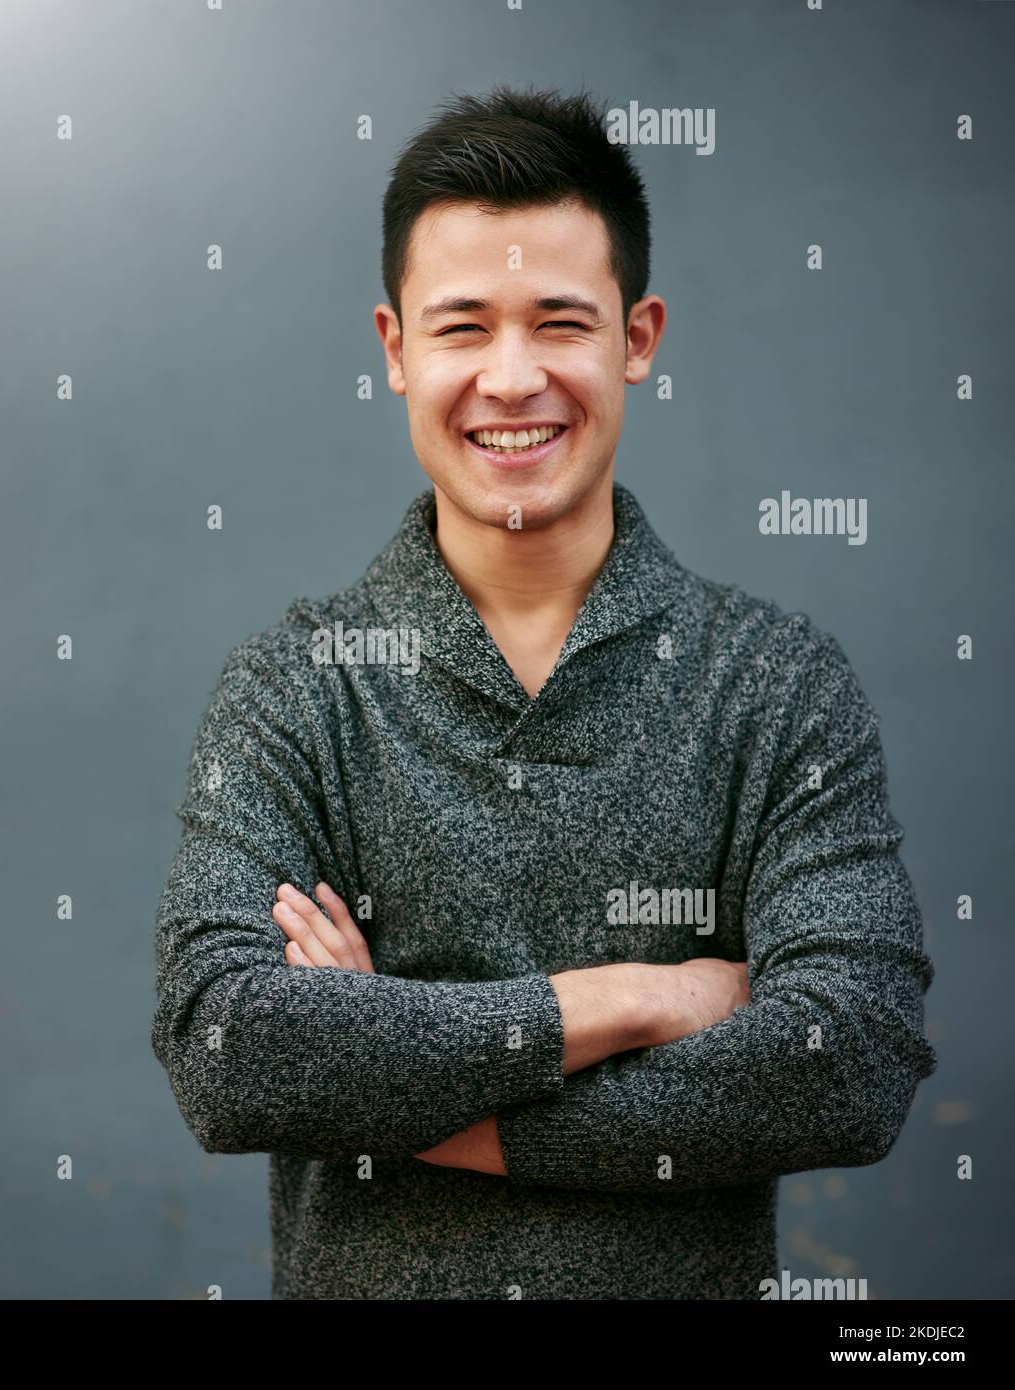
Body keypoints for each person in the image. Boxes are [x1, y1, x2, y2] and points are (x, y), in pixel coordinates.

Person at [152, 84, 937, 1299]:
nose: (512, 380)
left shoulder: (778, 683)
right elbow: (229, 1048)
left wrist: (400, 1082)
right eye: (463, 326)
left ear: (638, 338)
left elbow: (849, 1060)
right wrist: (638, 996)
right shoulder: (295, 686)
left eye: (560, 321)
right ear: (395, 350)